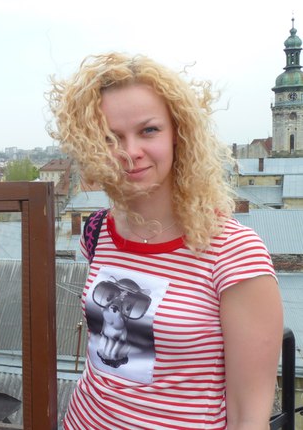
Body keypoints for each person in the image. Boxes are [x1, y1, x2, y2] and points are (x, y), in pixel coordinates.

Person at [47, 52, 283, 429]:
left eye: (149, 130)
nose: (130, 152)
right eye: (110, 137)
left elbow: (248, 416)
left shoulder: (233, 252)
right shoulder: (98, 231)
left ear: (178, 134)